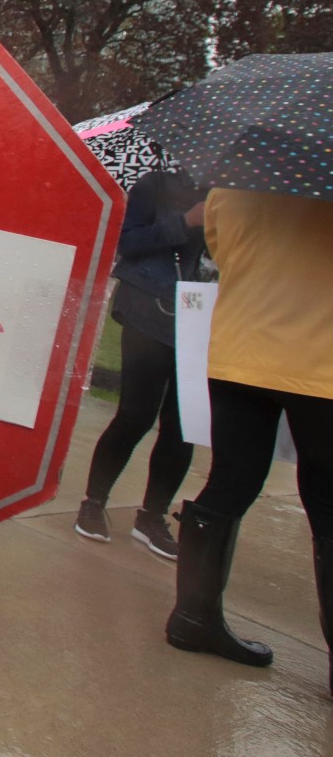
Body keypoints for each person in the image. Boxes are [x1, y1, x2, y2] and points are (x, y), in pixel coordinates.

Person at [166, 187, 333, 693]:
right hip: (319, 362)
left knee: (230, 484)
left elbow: (220, 250)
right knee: (328, 504)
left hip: (238, 353)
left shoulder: (232, 184)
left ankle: (192, 620)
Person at [74, 169, 203, 557]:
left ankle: (152, 516)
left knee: (183, 425)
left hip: (198, 317)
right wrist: (186, 222)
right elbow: (127, 243)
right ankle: (93, 503)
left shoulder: (231, 196)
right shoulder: (155, 185)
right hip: (147, 309)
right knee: (136, 414)